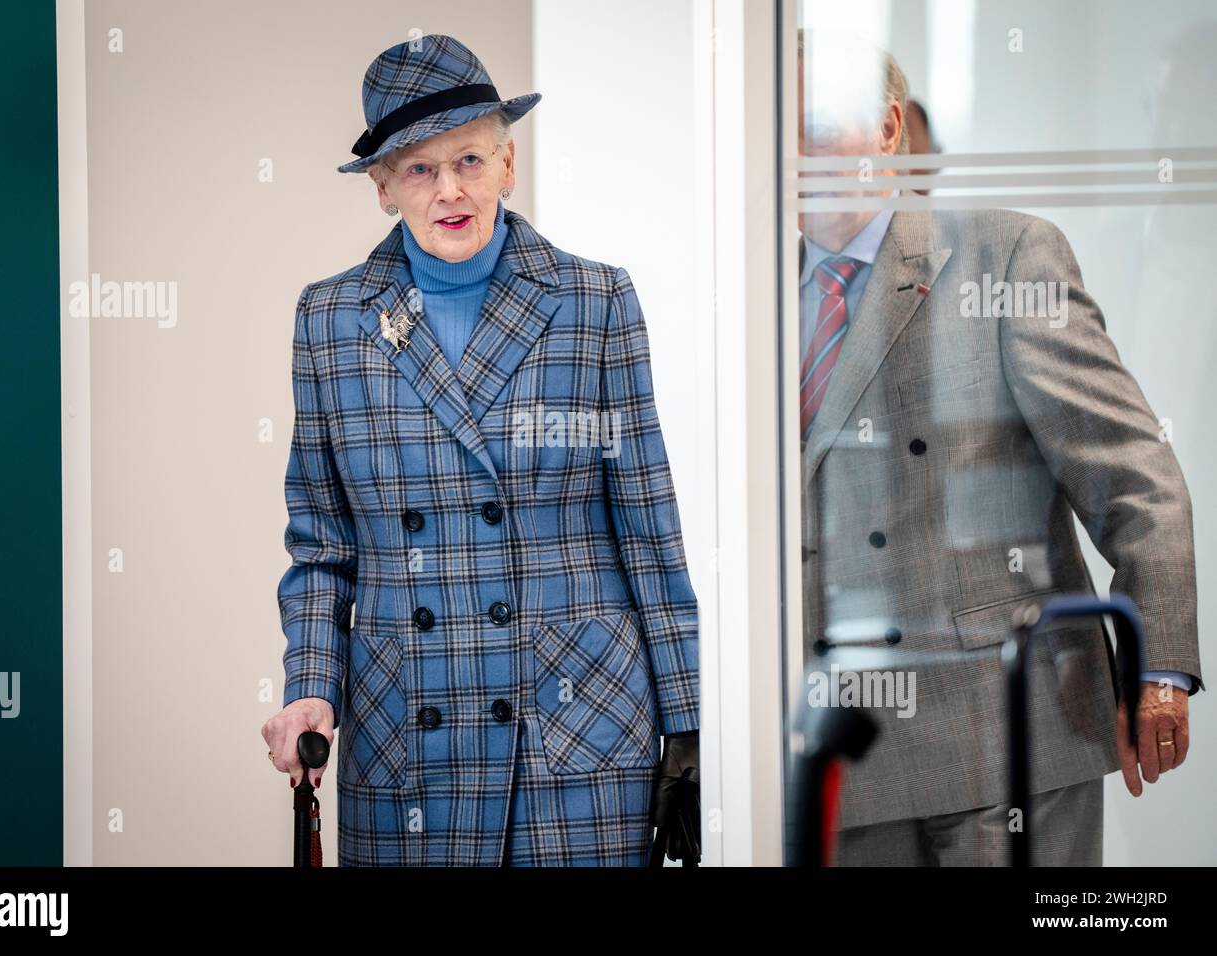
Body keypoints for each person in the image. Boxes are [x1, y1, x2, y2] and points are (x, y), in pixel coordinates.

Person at [260, 34, 700, 866]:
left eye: (469, 158)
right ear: (383, 189)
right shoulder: (329, 320)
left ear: (508, 164)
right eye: (419, 169)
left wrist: (691, 719)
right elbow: (322, 548)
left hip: (581, 733)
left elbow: (648, 523)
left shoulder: (595, 301)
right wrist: (311, 687)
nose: (450, 189)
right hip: (411, 733)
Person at [794, 30, 1200, 865]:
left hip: (1001, 732)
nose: (798, 150)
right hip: (840, 744)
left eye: (819, 122)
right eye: (781, 127)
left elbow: (1135, 476)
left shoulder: (1003, 254)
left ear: (886, 131)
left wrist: (1157, 665)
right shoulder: (752, 295)